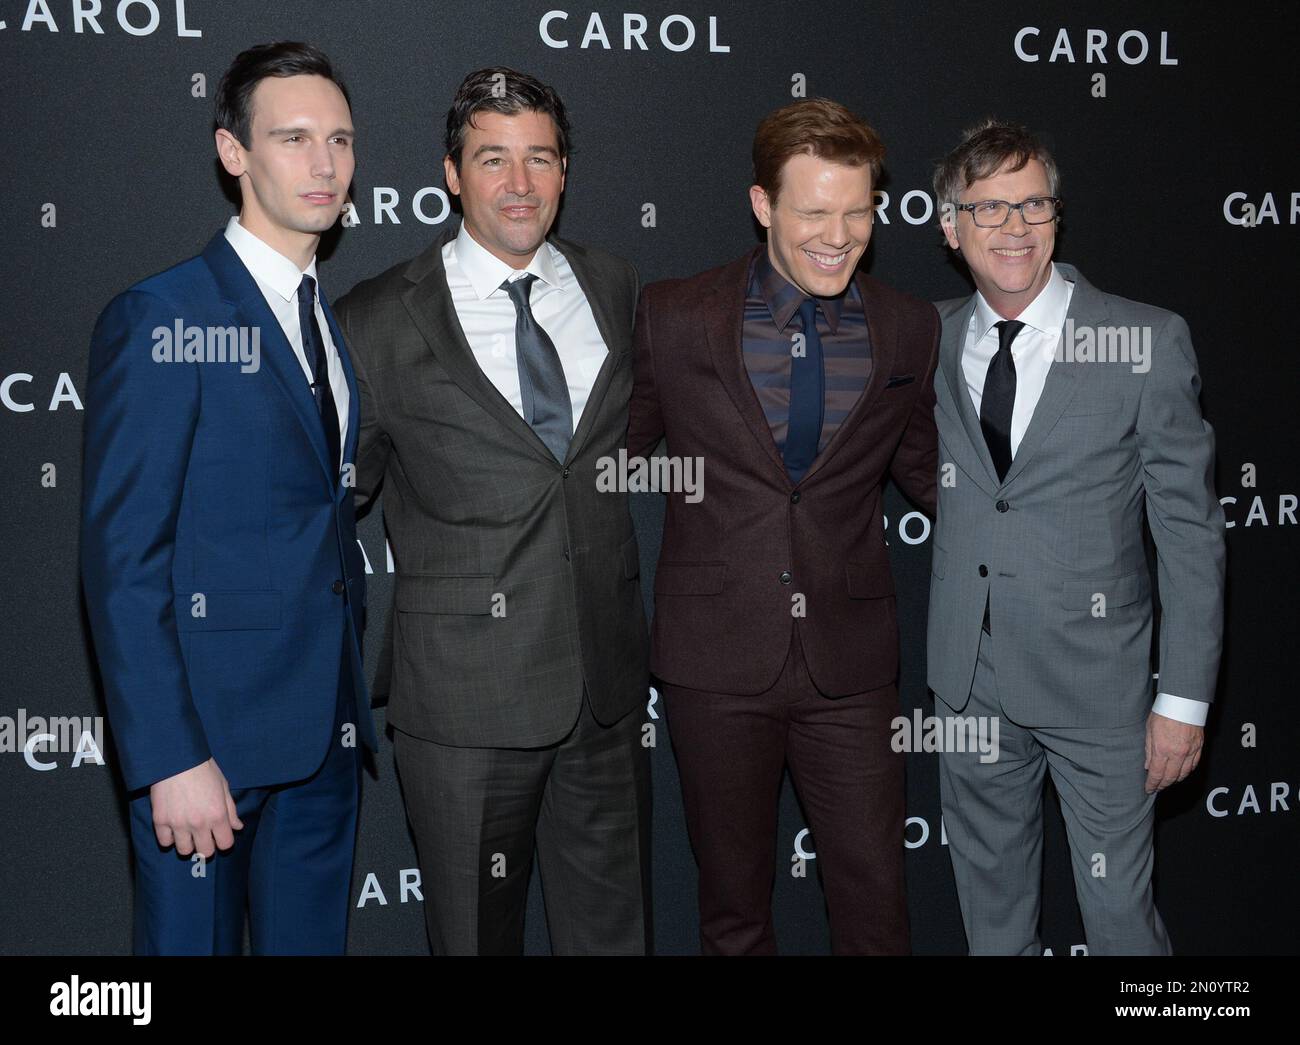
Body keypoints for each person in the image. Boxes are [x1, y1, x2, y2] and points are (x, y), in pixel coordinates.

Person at [333, 67, 651, 955]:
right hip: (464, 704)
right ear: (450, 172)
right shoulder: (373, 318)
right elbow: (331, 494)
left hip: (606, 690)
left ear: (564, 172)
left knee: (614, 937)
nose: (519, 184)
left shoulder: (615, 286)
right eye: (493, 159)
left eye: (540, 159)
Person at [81, 41, 375, 954]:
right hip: (208, 752)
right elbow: (123, 558)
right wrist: (169, 756)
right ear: (232, 152)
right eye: (292, 138)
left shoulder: (326, 316)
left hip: (323, 742)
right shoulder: (165, 315)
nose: (324, 164)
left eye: (340, 139)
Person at [627, 98, 940, 954]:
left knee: (877, 905)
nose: (839, 236)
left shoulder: (909, 327)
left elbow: (932, 479)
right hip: (714, 663)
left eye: (857, 212)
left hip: (852, 664)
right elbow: (603, 461)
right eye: (813, 212)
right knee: (733, 911)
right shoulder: (675, 316)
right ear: (763, 205)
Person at [927, 119, 1226, 954]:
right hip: (967, 684)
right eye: (988, 210)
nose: (1014, 228)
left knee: (1122, 923)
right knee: (993, 926)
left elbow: (1191, 533)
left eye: (1031, 204)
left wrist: (1183, 701)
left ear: (1057, 215)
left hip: (1101, 692)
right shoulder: (931, 339)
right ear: (950, 228)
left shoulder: (1146, 340)